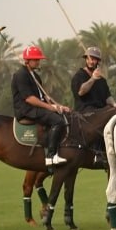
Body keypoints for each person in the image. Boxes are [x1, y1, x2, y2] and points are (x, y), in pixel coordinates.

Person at [11, 45, 71, 173]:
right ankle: (51, 156)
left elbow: (44, 96)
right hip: (26, 110)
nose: (38, 62)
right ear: (27, 60)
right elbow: (29, 99)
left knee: (63, 116)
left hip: (36, 107)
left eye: (39, 59)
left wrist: (58, 106)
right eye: (36, 59)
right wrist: (49, 108)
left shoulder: (35, 76)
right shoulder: (21, 75)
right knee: (58, 121)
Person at [70, 46, 116, 166]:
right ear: (86, 59)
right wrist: (92, 79)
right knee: (102, 120)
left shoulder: (101, 80)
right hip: (85, 111)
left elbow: (107, 97)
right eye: (90, 58)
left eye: (95, 59)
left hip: (100, 110)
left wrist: (114, 104)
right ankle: (99, 154)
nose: (92, 61)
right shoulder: (79, 76)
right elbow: (81, 91)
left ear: (98, 61)